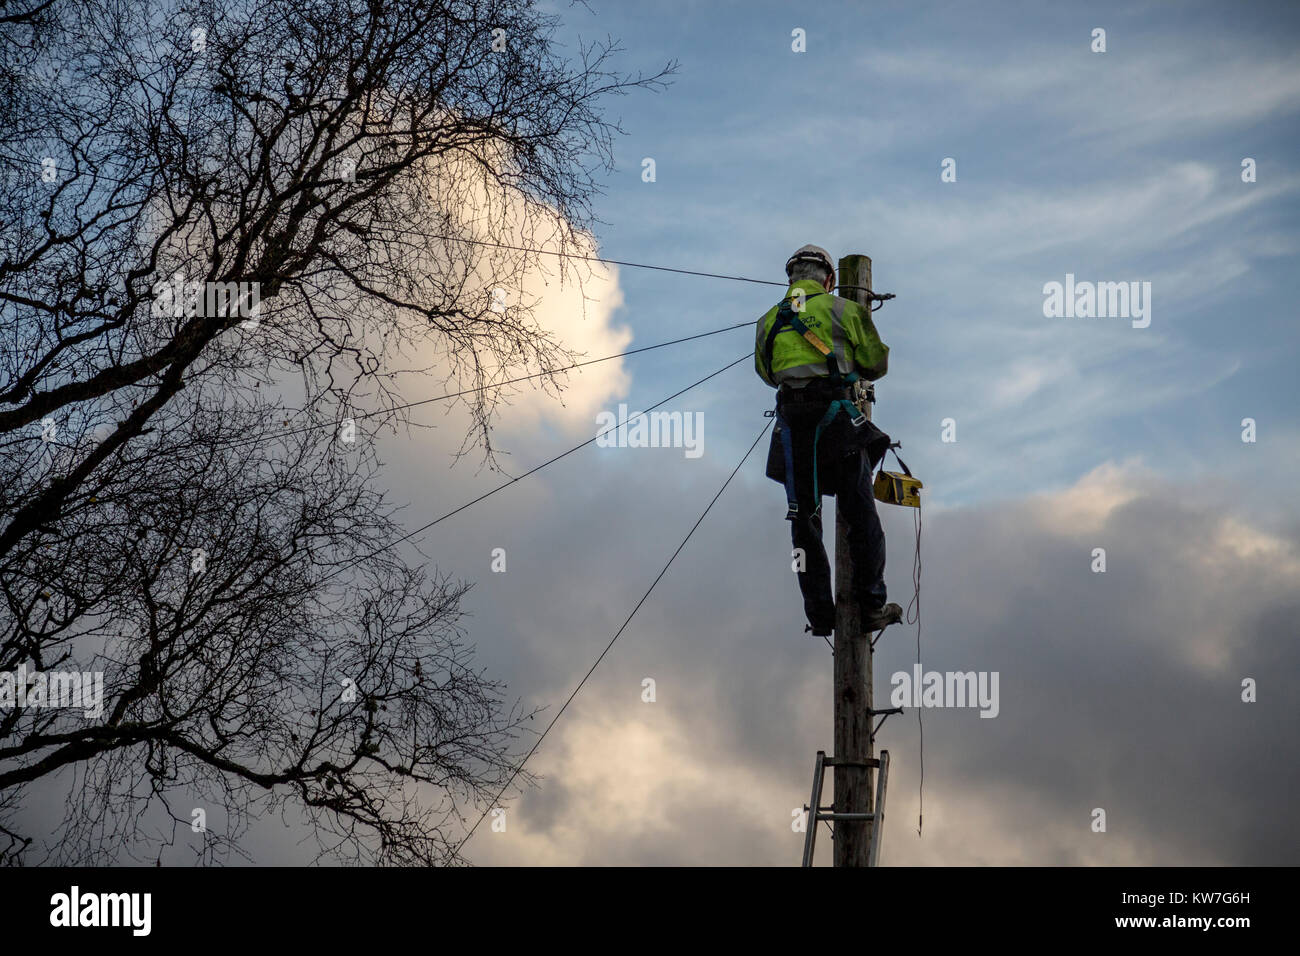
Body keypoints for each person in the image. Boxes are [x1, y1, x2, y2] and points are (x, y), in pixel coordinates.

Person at [755, 245, 902, 637]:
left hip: (792, 424)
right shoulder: (845, 310)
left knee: (804, 523)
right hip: (836, 421)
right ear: (830, 280)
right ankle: (871, 603)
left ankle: (821, 615)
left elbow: (767, 373)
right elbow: (875, 364)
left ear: (791, 279)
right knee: (860, 511)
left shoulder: (767, 321)